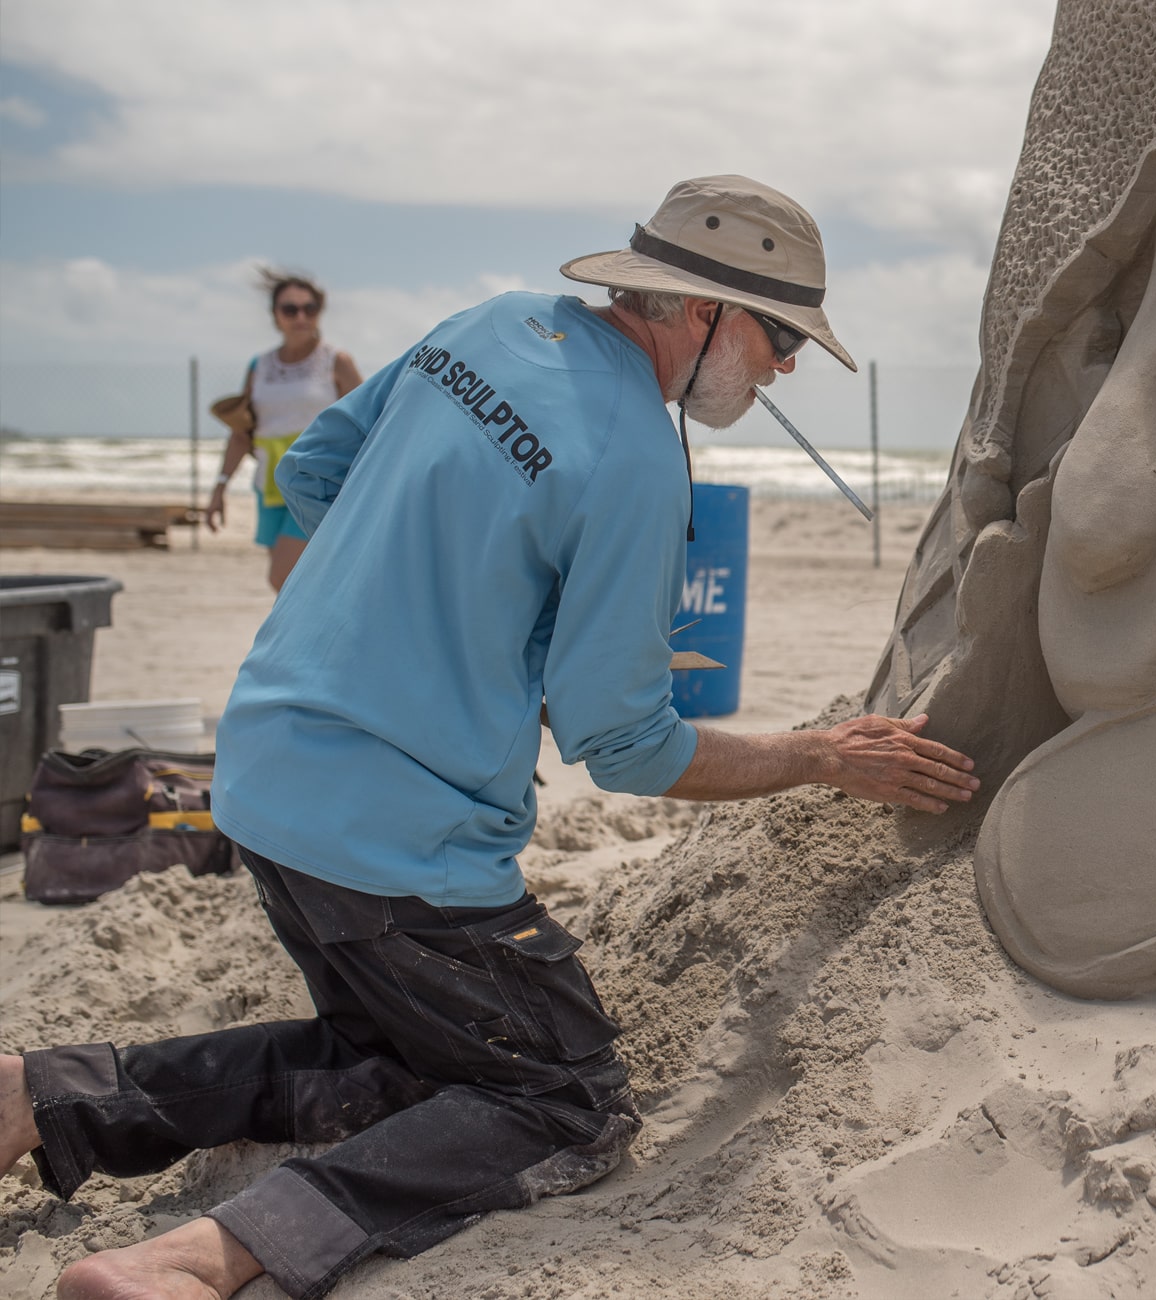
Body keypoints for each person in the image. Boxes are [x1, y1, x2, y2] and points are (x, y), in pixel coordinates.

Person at [0, 175, 980, 1300]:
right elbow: (630, 752)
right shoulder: (636, 459)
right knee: (565, 1099)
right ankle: (198, 1256)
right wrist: (818, 755)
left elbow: (316, 476)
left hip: (266, 774)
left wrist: (450, 625)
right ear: (705, 310)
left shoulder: (490, 322)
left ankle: (44, 1095)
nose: (786, 369)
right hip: (392, 842)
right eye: (779, 337)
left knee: (401, 1069)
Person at [205, 270, 363, 591]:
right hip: (270, 481)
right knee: (292, 585)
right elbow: (242, 432)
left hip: (319, 480)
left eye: (310, 308)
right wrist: (220, 487)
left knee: (282, 577)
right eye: (290, 309)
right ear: (275, 315)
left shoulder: (336, 361)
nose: (300, 316)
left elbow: (368, 424)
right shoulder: (259, 366)